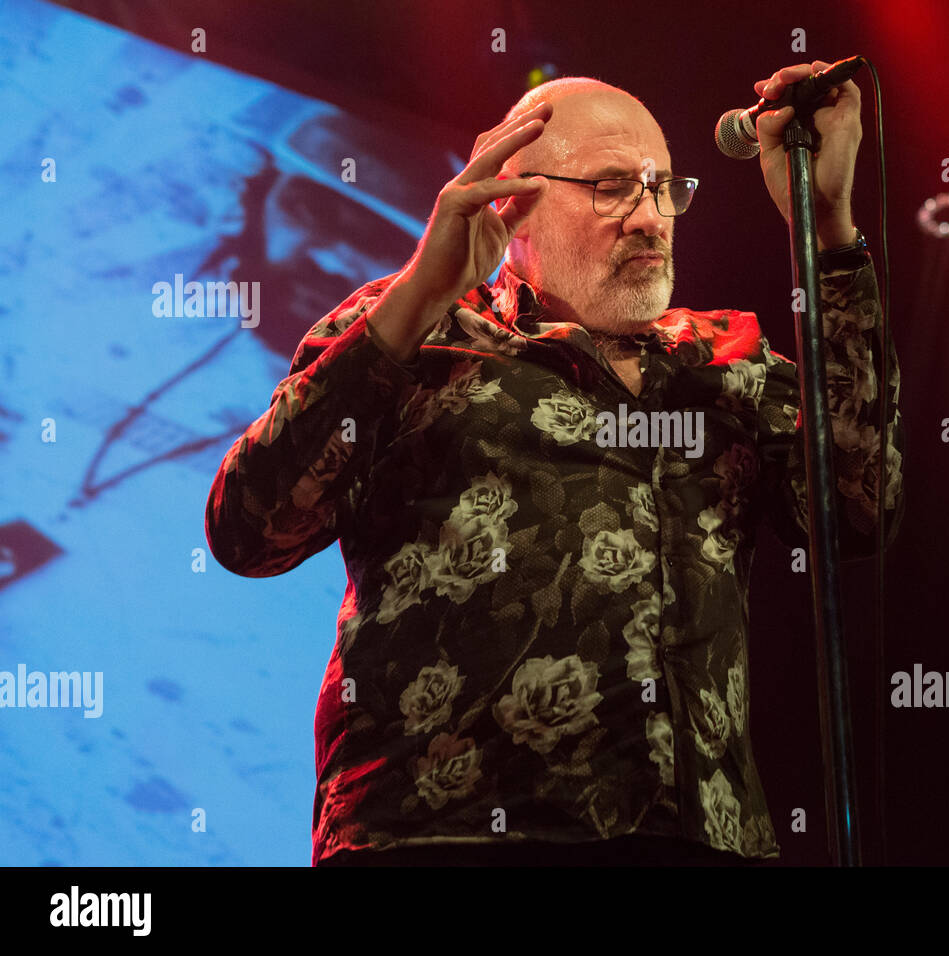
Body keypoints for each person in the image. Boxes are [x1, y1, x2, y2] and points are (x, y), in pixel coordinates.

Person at [204, 60, 904, 867]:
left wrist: (826, 225)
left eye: (662, 187)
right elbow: (248, 532)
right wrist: (415, 298)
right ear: (511, 201)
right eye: (612, 187)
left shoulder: (725, 359)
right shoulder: (417, 331)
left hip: (696, 836)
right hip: (438, 834)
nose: (650, 217)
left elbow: (862, 506)